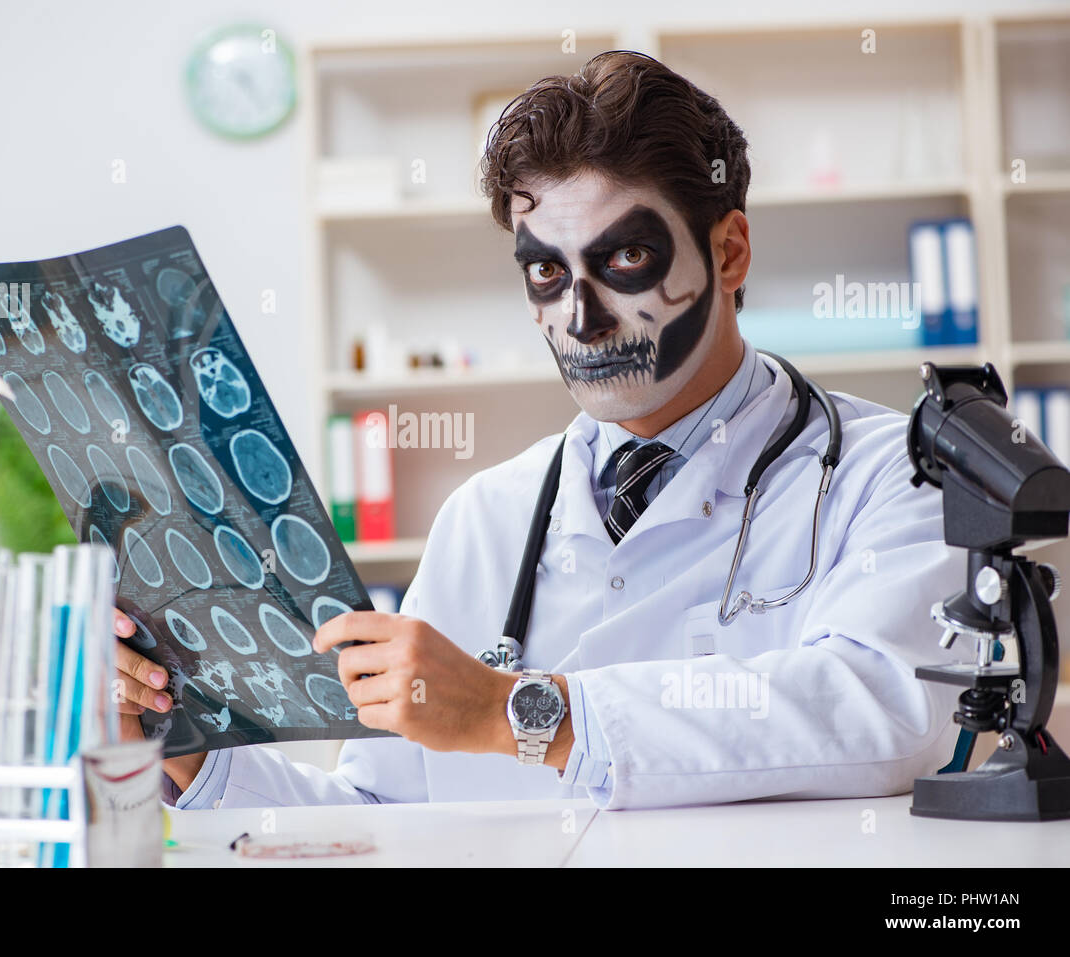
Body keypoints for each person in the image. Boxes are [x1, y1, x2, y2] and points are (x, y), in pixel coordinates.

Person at [114, 51, 965, 811]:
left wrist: (515, 713)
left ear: (730, 251)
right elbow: (382, 812)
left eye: (626, 259)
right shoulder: (487, 515)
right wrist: (191, 753)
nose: (579, 318)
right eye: (548, 271)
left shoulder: (890, 470)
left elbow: (887, 707)